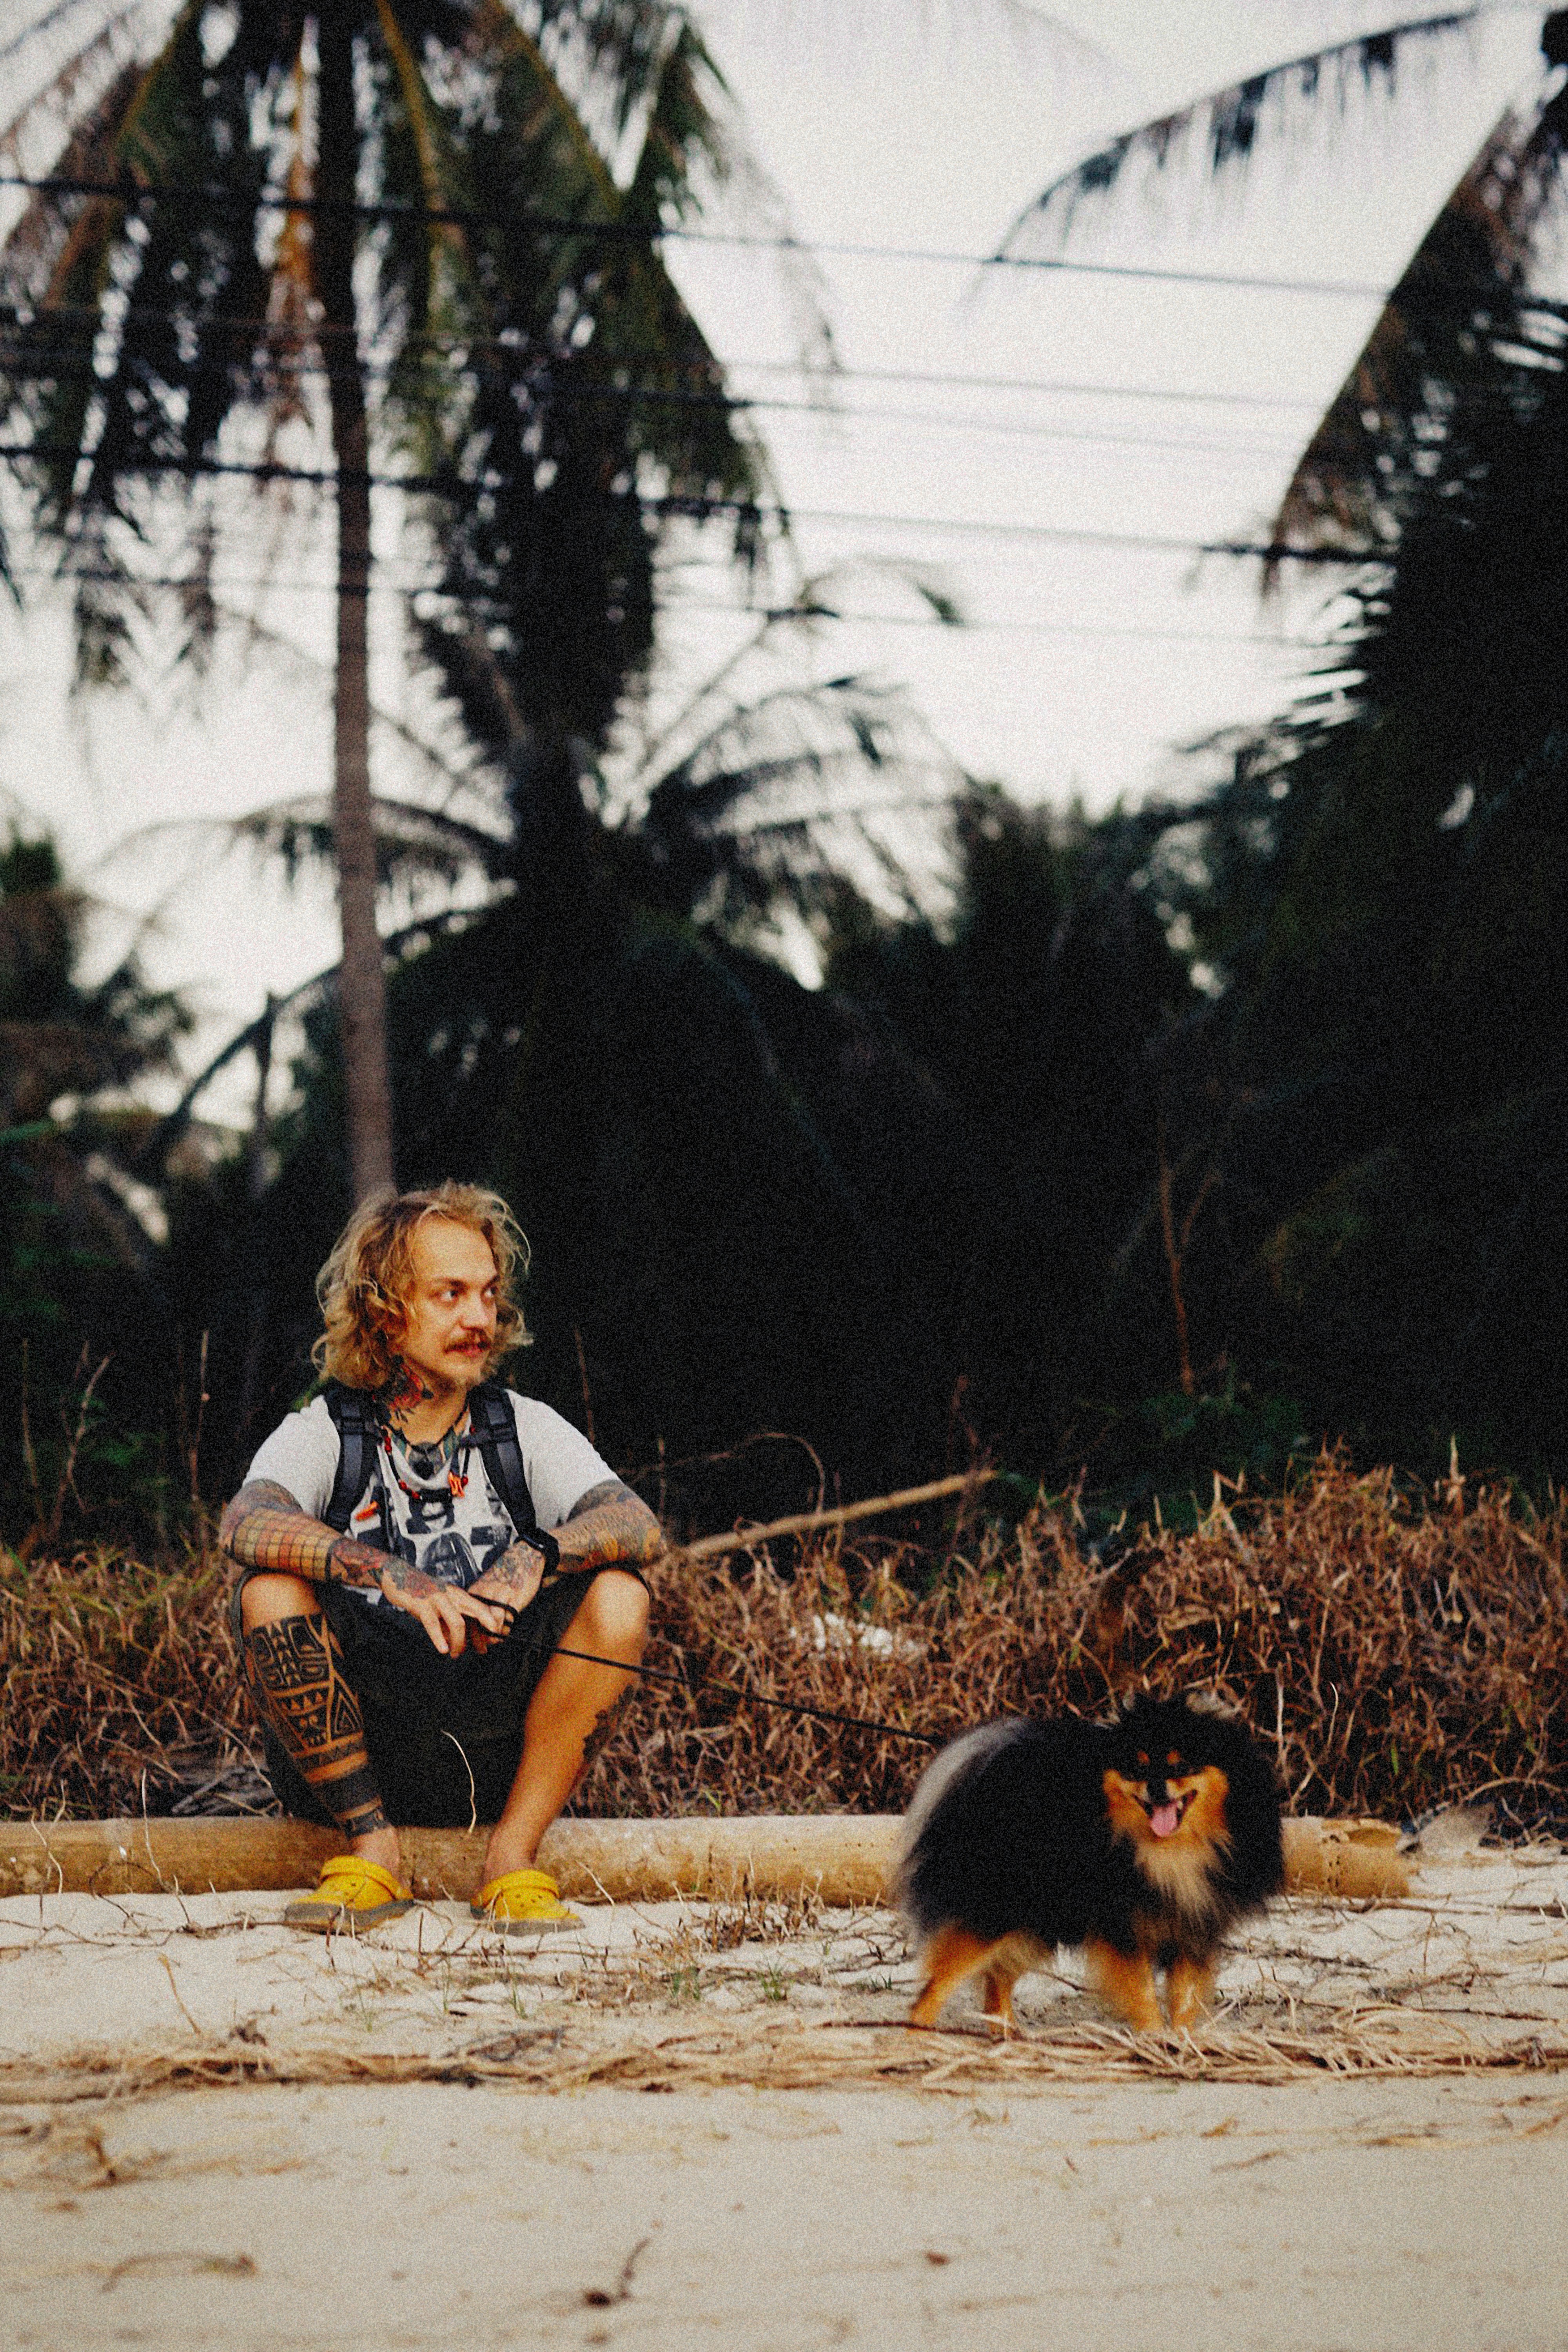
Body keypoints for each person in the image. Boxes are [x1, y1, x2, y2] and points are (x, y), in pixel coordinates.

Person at [220, 1181, 658, 1933]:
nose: (479, 1318)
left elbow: (638, 1524)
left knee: (622, 1593)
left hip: (492, 1760)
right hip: (357, 1764)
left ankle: (511, 1859)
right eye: (450, 1294)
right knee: (269, 1591)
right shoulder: (326, 1429)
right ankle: (373, 1853)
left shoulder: (524, 1427)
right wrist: (397, 1578)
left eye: (487, 1294)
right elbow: (244, 1522)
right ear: (385, 1311)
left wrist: (534, 1559)